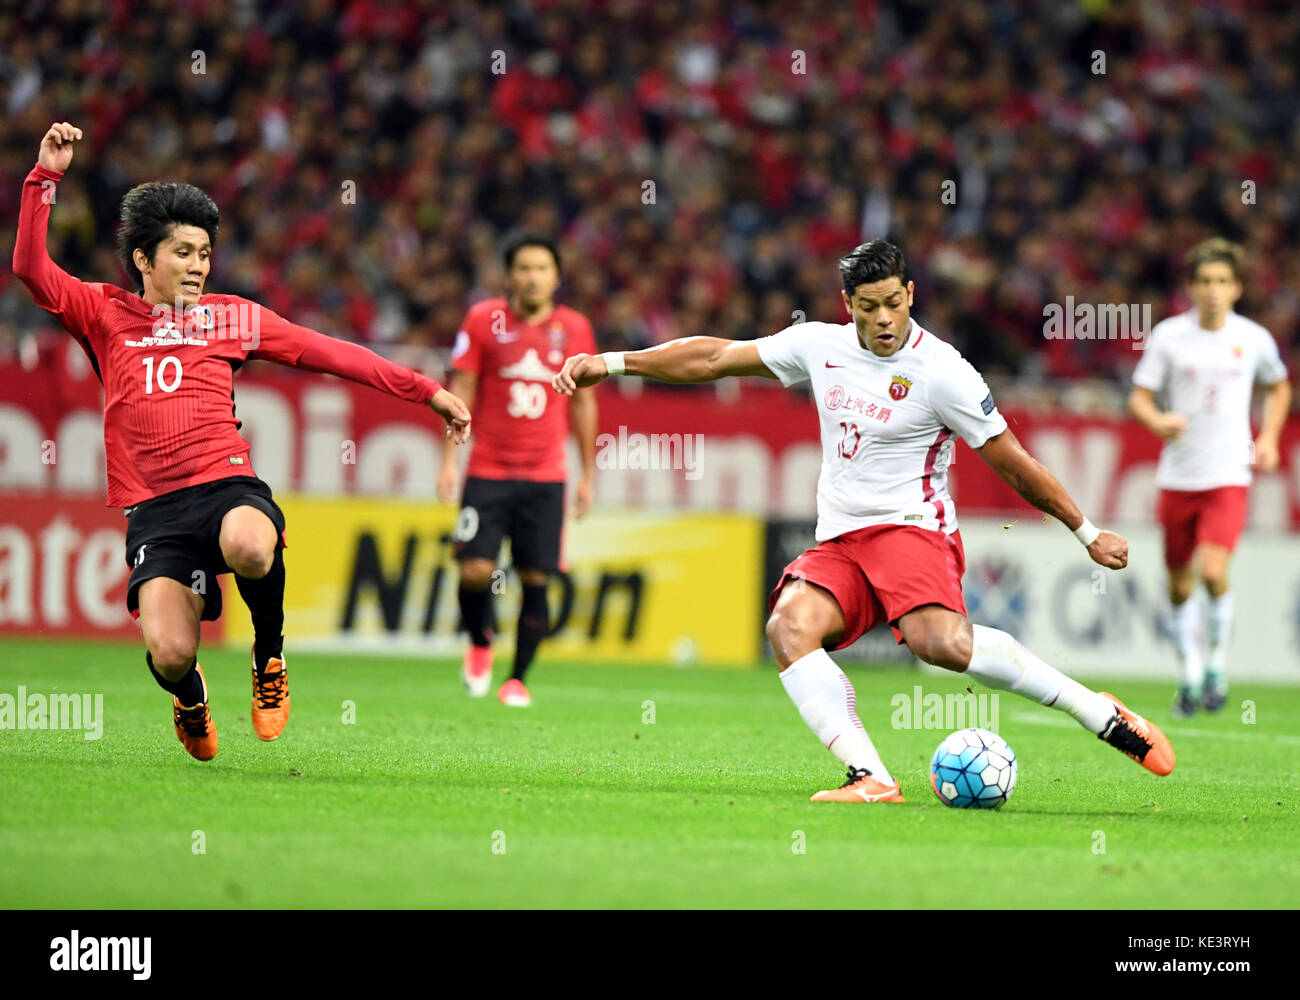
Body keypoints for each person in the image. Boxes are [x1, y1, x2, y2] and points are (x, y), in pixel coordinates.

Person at [554, 240, 1175, 802]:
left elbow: (1014, 464)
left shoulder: (945, 372)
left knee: (942, 646)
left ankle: (1097, 711)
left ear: (910, 295)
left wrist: (1086, 532)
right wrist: (610, 363)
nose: (882, 320)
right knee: (789, 627)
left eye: (893, 304)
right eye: (868, 306)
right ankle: (871, 777)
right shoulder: (818, 346)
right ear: (846, 303)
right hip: (843, 541)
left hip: (913, 529)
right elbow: (714, 358)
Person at [13, 122, 471, 761]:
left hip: (225, 483)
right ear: (145, 260)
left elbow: (329, 353)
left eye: (204, 253)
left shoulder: (233, 317)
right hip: (156, 510)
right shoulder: (103, 313)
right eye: (182, 252)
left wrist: (424, 390)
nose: (198, 266)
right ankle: (190, 696)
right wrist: (46, 178)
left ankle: (269, 656)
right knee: (171, 653)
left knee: (251, 544)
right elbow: (31, 270)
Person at [1129, 238, 1291, 717]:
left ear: (1237, 288)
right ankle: (1190, 677)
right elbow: (1139, 396)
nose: (1213, 290)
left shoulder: (1253, 338)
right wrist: (1157, 421)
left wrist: (1269, 438)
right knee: (1179, 586)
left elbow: (1280, 386)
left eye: (1222, 281)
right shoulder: (1169, 337)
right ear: (1191, 287)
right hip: (1178, 477)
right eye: (1205, 281)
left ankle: (1217, 668)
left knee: (1214, 572)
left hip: (1228, 475)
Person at [438, 233, 597, 707]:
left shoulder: (575, 328)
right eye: (524, 268)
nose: (533, 277)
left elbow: (585, 401)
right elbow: (461, 387)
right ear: (509, 276)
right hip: (488, 470)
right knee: (474, 570)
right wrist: (449, 460)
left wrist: (588, 473)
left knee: (536, 578)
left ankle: (518, 680)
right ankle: (482, 640)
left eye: (542, 268)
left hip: (546, 476)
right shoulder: (483, 320)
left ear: (557, 277)